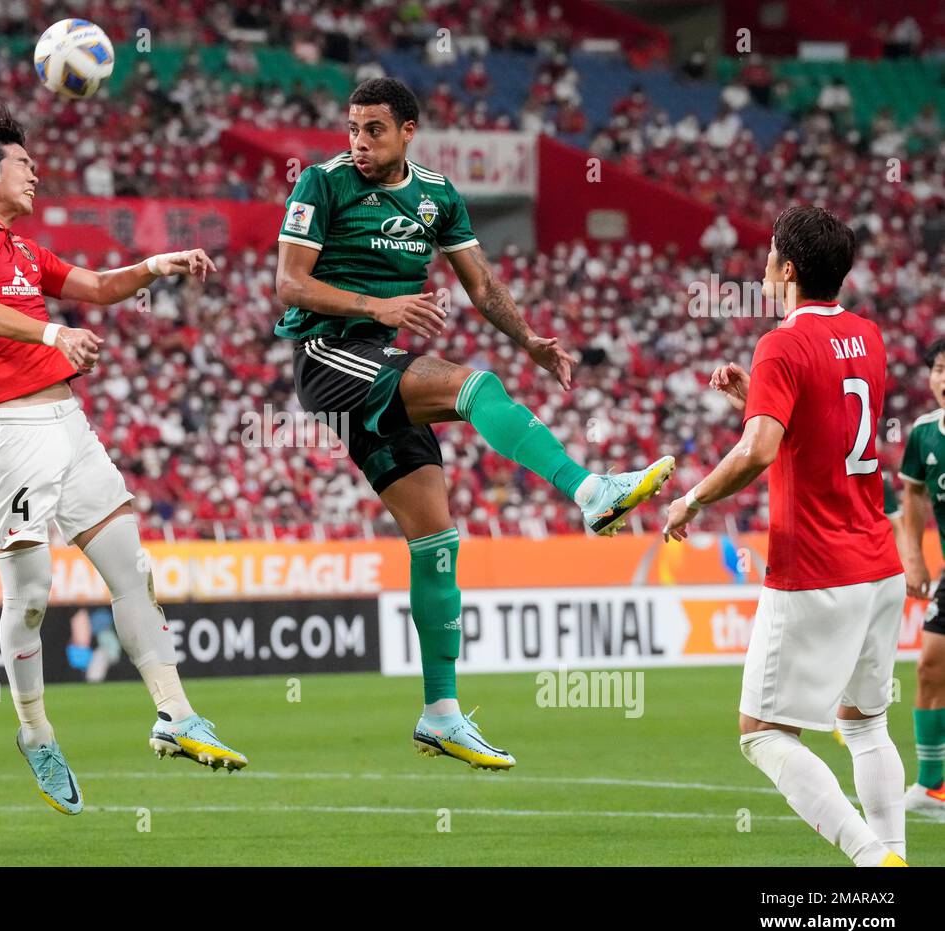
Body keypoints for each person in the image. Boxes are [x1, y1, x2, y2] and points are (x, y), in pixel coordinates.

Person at [274, 78, 674, 771]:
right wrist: (380, 308)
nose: (359, 143)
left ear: (407, 131)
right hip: (330, 353)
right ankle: (589, 491)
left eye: (374, 130)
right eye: (352, 129)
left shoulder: (437, 195)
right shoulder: (322, 183)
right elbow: (289, 283)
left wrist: (532, 342)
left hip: (383, 361)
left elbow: (482, 284)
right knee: (470, 385)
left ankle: (441, 714)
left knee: (436, 536)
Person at [0, 107, 246, 816]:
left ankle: (175, 714)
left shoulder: (26, 250)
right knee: (31, 596)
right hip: (9, 431)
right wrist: (52, 331)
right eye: (23, 163)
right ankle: (35, 732)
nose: (35, 172)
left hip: (70, 424)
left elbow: (95, 286)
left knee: (135, 571)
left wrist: (157, 264)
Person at [663, 205, 907, 866]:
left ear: (788, 268)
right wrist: (758, 397)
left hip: (818, 566)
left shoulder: (781, 344)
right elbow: (827, 427)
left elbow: (757, 452)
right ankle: (894, 860)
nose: (763, 265)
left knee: (763, 734)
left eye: (769, 254)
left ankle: (870, 857)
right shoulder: (870, 335)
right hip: (879, 562)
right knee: (866, 724)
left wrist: (690, 500)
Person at [894, 338, 945, 817]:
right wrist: (913, 554)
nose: (943, 379)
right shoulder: (925, 433)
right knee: (930, 664)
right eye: (938, 370)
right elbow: (912, 496)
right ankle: (932, 787)